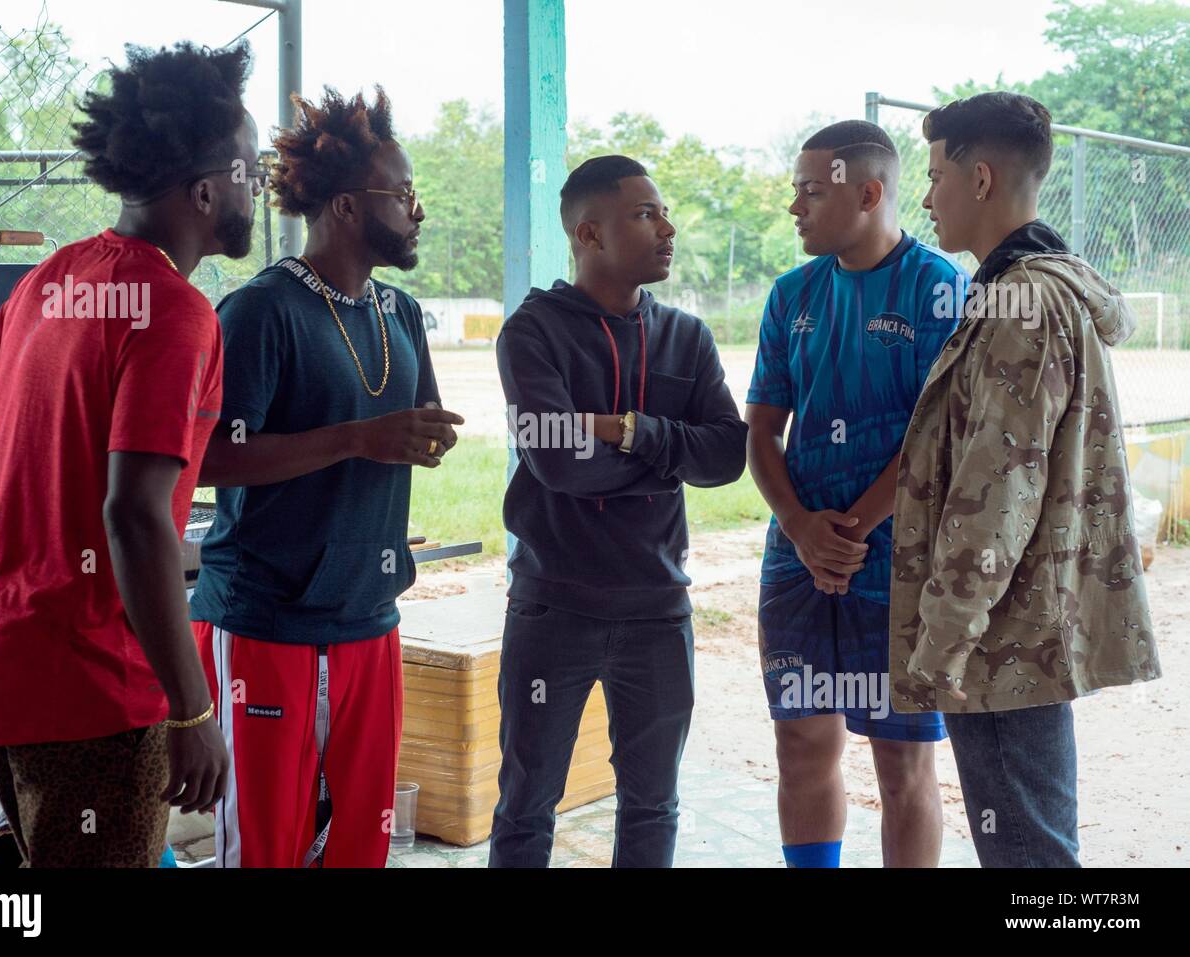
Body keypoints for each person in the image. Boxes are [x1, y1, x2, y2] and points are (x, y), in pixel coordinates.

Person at [0, 41, 260, 866]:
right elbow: (135, 512)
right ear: (208, 189)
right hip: (93, 693)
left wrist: (1, 554)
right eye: (251, 168)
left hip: (1, 660)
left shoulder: (54, 278)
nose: (261, 186)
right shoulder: (179, 314)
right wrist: (191, 708)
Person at [190, 86, 462, 868]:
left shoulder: (400, 312)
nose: (417, 210)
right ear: (346, 207)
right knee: (267, 846)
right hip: (268, 622)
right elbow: (212, 457)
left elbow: (411, 420)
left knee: (362, 842)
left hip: (369, 618)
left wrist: (421, 437)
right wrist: (356, 439)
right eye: (403, 194)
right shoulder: (262, 311)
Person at [891, 92, 1161, 867]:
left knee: (1029, 858)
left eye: (937, 174)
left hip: (1003, 641)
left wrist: (943, 637)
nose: (928, 195)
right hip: (1016, 633)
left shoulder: (1022, 304)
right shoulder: (1020, 291)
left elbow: (998, 494)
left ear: (979, 180)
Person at [490, 155, 748, 868]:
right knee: (525, 806)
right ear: (589, 232)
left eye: (663, 213)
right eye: (645, 215)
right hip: (554, 609)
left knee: (652, 805)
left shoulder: (686, 337)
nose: (667, 229)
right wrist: (673, 455)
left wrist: (632, 429)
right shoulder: (533, 332)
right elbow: (561, 462)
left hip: (659, 610)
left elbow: (728, 454)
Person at [746, 121, 965, 868]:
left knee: (901, 761)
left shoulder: (939, 288)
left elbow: (936, 437)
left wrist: (852, 530)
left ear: (867, 193)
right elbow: (762, 434)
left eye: (811, 190)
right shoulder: (791, 294)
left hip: (898, 560)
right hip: (799, 555)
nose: (794, 206)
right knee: (802, 739)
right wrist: (802, 527)